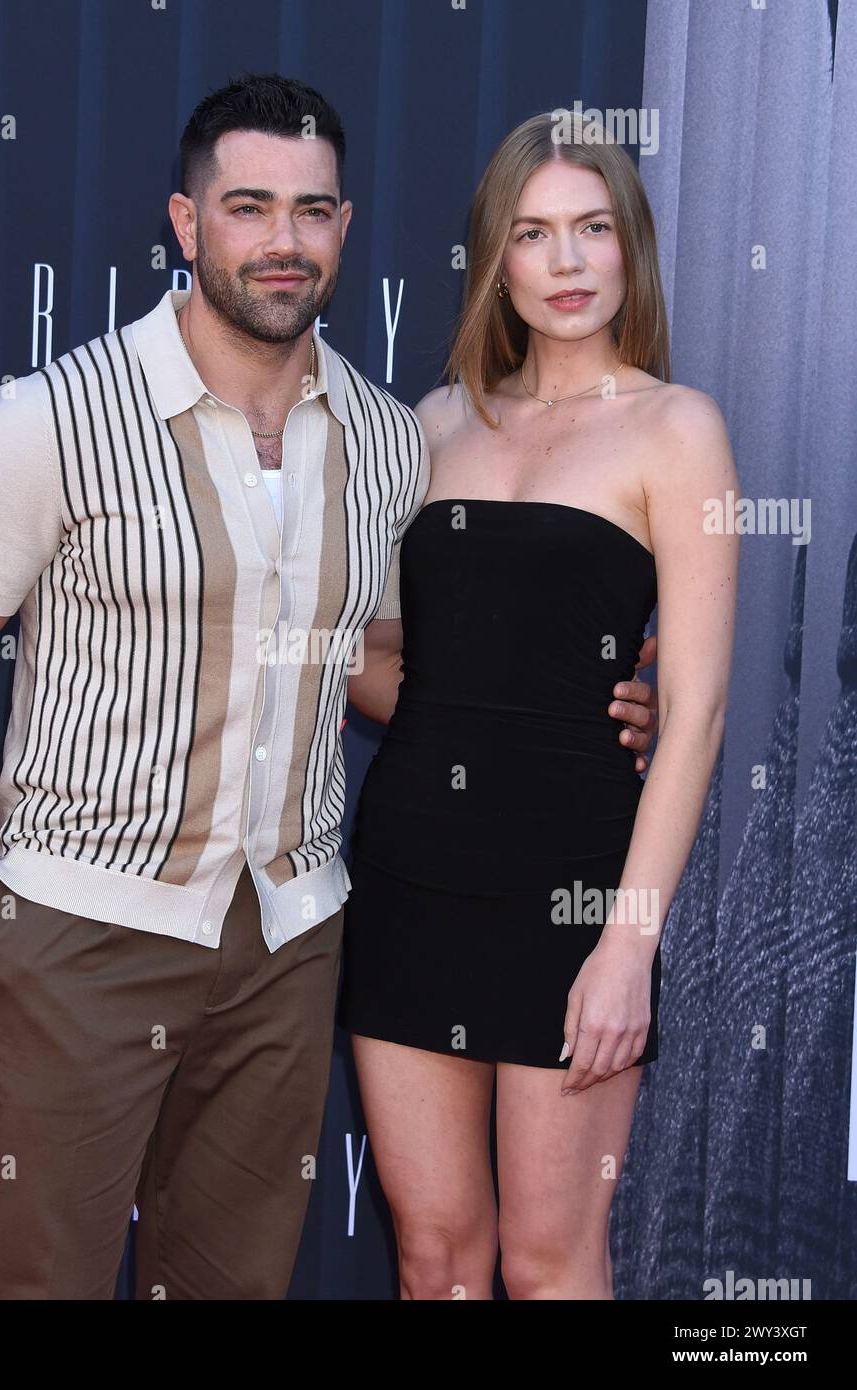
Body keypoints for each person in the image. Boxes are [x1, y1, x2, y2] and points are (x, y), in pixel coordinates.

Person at [0, 76, 657, 1300]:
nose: (282, 241)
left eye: (312, 210)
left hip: (290, 944)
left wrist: (575, 703)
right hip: (85, 931)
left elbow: (395, 666)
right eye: (247, 207)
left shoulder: (393, 440)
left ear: (345, 228)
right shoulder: (54, 418)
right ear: (186, 225)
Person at [338, 111, 738, 1301]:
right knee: (434, 1257)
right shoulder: (428, 427)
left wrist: (628, 941)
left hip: (573, 895)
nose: (564, 264)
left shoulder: (676, 429)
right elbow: (358, 651)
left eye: (590, 230)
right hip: (412, 876)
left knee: (550, 1260)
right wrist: (479, 701)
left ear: (629, 250)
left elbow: (701, 709)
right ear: (493, 260)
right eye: (532, 234)